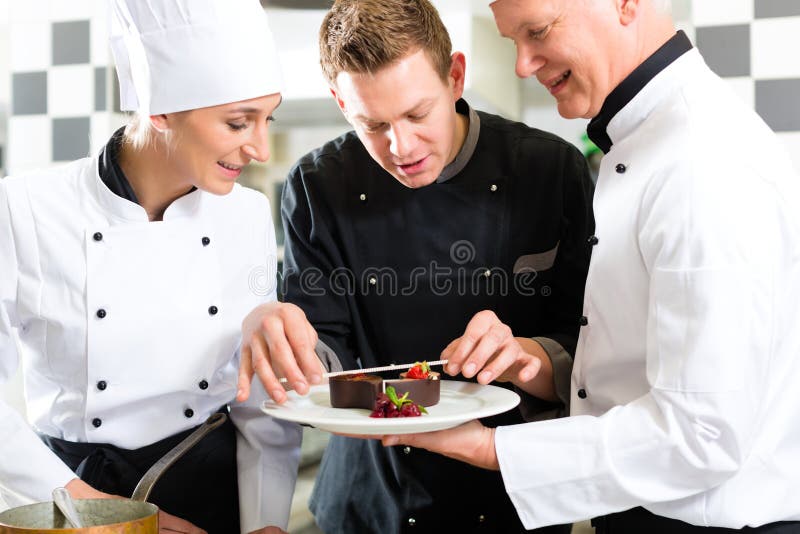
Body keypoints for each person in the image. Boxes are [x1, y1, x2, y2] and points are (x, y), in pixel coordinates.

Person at [378, 0, 800, 532]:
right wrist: (532, 363)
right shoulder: (648, 141)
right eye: (514, 41)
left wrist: (492, 449)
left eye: (537, 31)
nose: (522, 65)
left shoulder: (702, 163)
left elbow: (702, 437)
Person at [236, 0, 594, 532]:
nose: (400, 147)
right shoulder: (319, 185)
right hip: (368, 502)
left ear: (455, 77)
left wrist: (526, 356)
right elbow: (325, 356)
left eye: (417, 114)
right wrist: (292, 345)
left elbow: (589, 353)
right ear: (340, 102)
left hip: (515, 497)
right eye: (373, 124)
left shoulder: (550, 170)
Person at [0, 1, 302, 533]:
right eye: (237, 122)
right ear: (159, 110)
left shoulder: (247, 214)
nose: (259, 145)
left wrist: (266, 523)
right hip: (71, 503)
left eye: (267, 118)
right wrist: (98, 512)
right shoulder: (24, 210)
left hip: (210, 490)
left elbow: (257, 399)